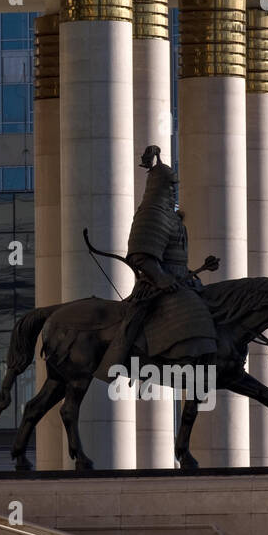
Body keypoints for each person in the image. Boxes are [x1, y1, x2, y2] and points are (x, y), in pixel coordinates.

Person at [98, 146, 219, 379]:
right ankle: (178, 367)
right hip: (156, 285)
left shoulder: (173, 218)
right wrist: (162, 278)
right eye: (170, 186)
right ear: (158, 187)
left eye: (175, 186)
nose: (174, 190)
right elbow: (140, 255)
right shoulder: (152, 214)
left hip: (182, 281)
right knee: (193, 313)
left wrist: (200, 267)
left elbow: (175, 257)